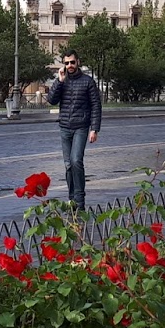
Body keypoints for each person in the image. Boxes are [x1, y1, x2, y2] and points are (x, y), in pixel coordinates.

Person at [46, 50, 101, 209]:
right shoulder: (62, 80)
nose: (69, 65)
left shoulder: (88, 81)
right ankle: (72, 201)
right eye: (67, 63)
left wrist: (94, 129)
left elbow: (96, 106)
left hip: (81, 127)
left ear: (78, 62)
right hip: (65, 127)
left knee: (76, 161)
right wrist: (59, 81)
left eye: (72, 62)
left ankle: (80, 201)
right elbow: (51, 100)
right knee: (68, 165)